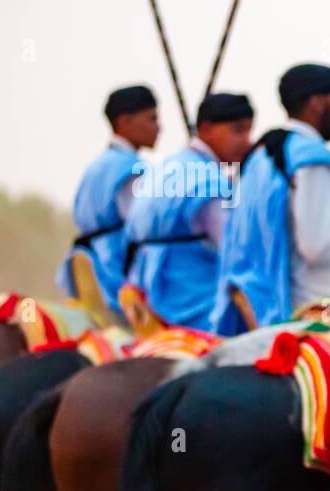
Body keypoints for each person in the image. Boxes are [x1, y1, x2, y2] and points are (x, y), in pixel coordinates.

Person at [209, 64, 330, 333]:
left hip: (270, 298)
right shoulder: (313, 158)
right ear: (317, 103)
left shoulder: (262, 154)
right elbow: (318, 248)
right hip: (323, 304)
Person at [123, 92, 254, 330]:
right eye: (238, 131)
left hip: (146, 296)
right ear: (206, 129)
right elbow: (236, 251)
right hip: (194, 304)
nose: (247, 142)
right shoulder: (208, 182)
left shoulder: (166, 167)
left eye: (248, 131)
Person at [57, 85, 160, 313]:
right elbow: (144, 229)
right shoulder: (133, 170)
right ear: (125, 122)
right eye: (152, 119)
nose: (159, 127)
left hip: (89, 263)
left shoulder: (96, 167)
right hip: (115, 272)